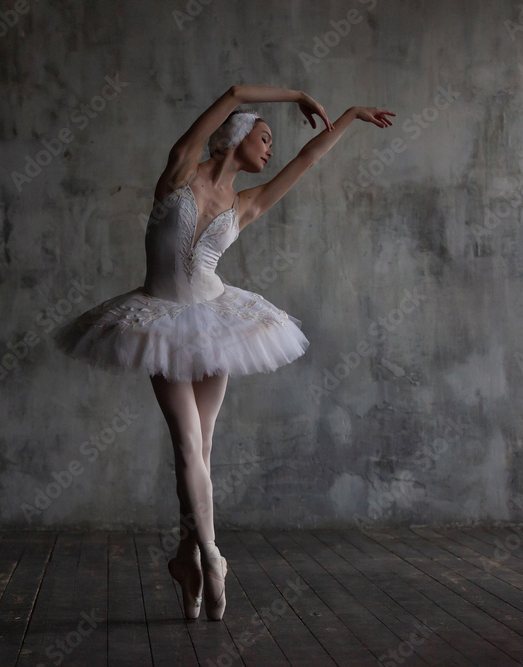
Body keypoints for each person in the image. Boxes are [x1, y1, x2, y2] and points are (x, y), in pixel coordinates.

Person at [55, 84, 394, 620]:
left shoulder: (246, 204)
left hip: (217, 322)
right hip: (162, 323)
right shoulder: (179, 173)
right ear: (234, 137)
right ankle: (211, 556)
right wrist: (297, 95)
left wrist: (351, 114)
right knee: (191, 447)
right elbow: (235, 92)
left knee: (198, 450)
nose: (272, 149)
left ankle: (189, 557)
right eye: (265, 137)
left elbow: (307, 159)